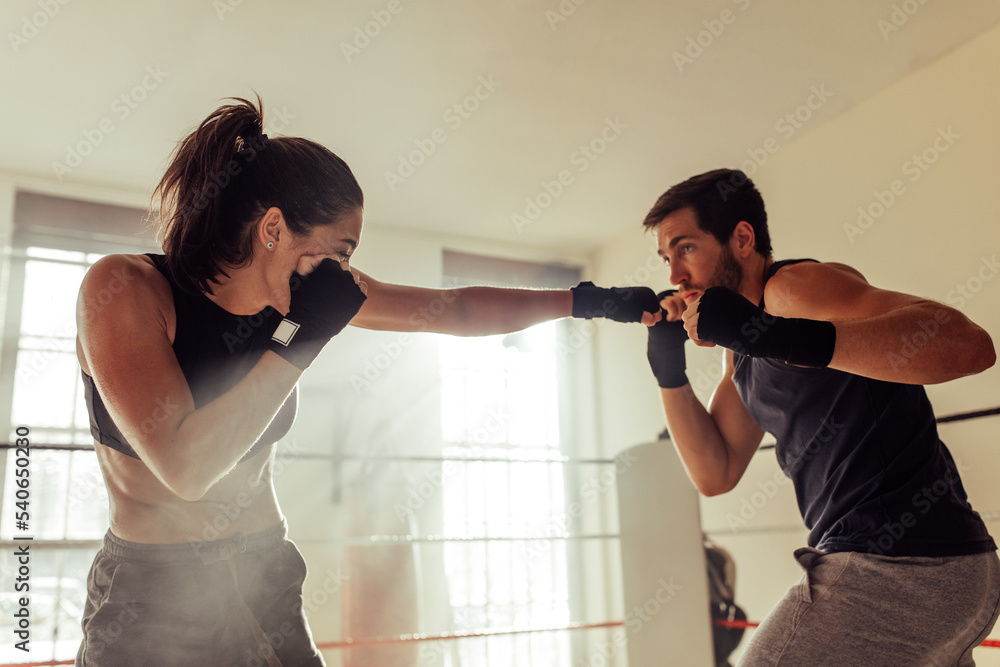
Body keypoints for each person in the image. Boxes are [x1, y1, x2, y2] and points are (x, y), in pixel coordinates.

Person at [74, 95, 658, 666]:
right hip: (153, 597)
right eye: (340, 250)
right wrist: (299, 341)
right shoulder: (124, 290)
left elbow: (451, 309)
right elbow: (186, 467)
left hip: (262, 574)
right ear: (272, 227)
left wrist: (588, 300)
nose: (343, 272)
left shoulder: (297, 299)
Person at [641, 168, 999, 665]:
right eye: (667, 258)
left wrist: (778, 336)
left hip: (904, 560)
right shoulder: (739, 355)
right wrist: (667, 368)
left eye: (685, 248)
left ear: (742, 238)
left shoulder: (792, 289)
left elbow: (968, 345)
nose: (675, 275)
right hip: (930, 566)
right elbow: (715, 471)